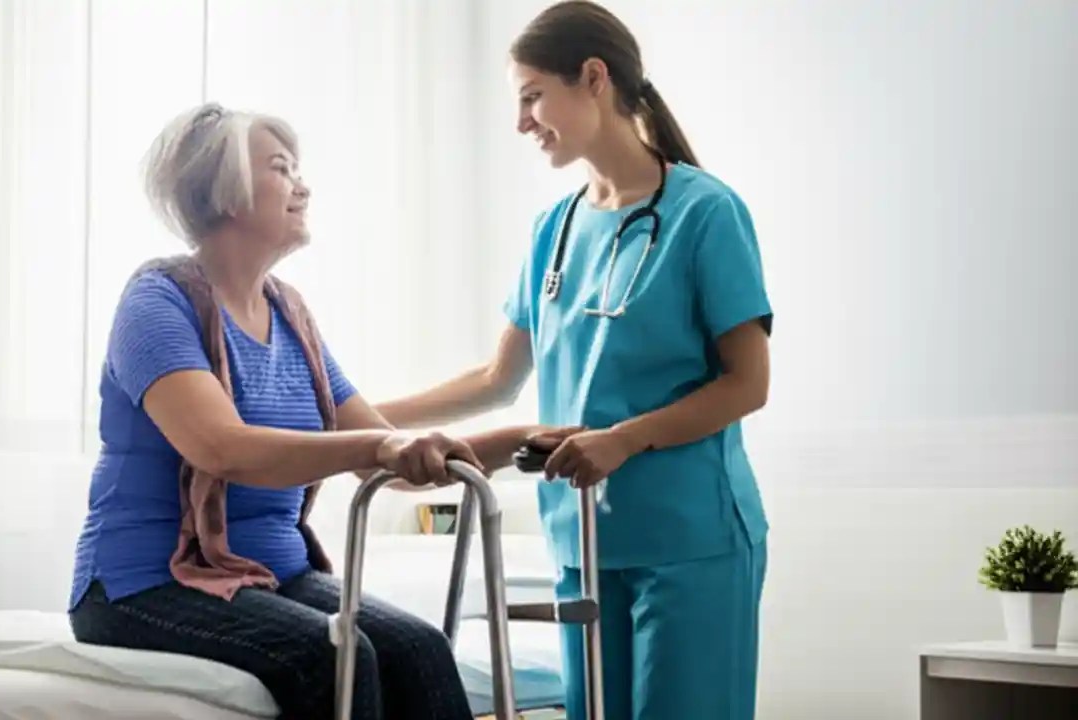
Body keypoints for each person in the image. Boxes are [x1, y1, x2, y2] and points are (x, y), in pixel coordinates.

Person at [67, 103, 551, 720]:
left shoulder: (291, 316)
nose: (304, 185)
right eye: (281, 168)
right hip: (146, 583)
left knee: (420, 648)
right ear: (226, 190)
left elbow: (398, 463)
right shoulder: (156, 302)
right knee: (336, 656)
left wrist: (526, 438)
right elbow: (223, 448)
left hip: (274, 575)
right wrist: (380, 448)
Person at [377, 2, 773, 719]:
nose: (521, 120)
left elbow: (748, 384)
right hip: (583, 543)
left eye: (531, 95)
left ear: (593, 78)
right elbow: (498, 378)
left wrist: (625, 439)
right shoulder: (554, 228)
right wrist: (359, 416)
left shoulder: (705, 213)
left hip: (690, 542)